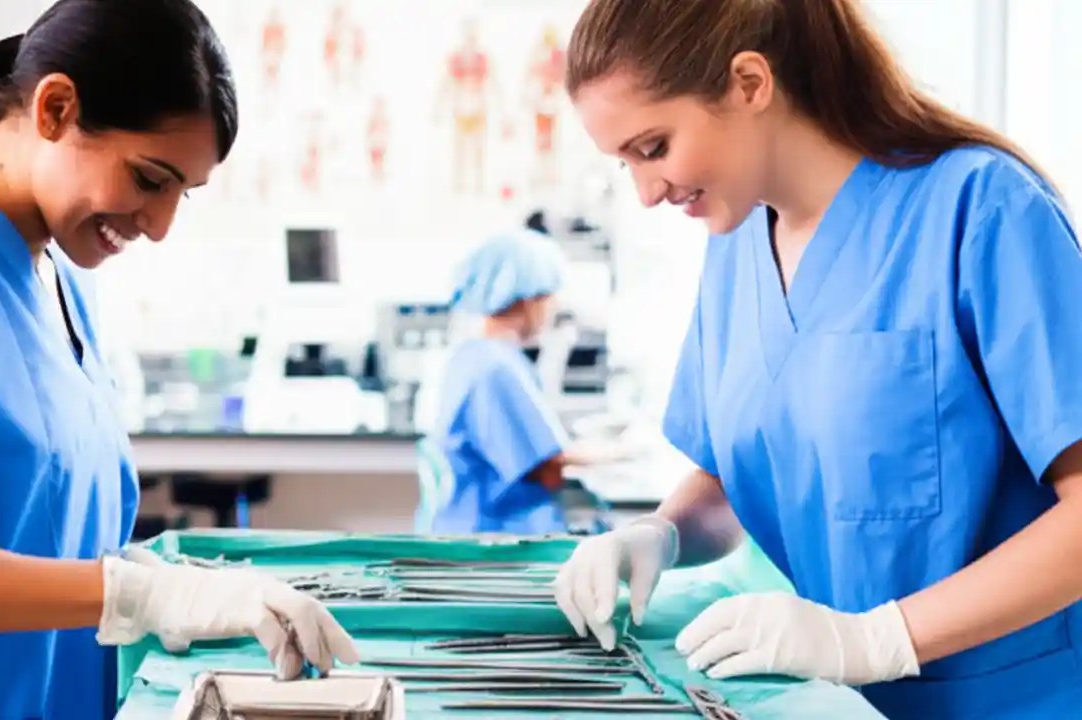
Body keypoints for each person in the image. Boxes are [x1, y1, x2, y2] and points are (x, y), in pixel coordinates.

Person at [0, 2, 357, 719]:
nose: (159, 226)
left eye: (182, 195)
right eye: (151, 179)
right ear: (56, 107)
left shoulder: (63, 281)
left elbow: (43, 539)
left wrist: (162, 581)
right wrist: (134, 594)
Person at [551, 0, 1082, 718]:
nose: (646, 193)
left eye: (654, 148)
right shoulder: (737, 244)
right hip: (825, 702)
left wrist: (875, 639)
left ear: (748, 83)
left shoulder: (981, 209)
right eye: (625, 165)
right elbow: (736, 473)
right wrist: (659, 534)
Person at [430, 229, 634, 535]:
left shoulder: (471, 355)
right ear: (528, 299)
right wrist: (624, 450)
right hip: (490, 540)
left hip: (468, 524)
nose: (554, 308)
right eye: (550, 297)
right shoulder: (495, 367)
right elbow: (546, 469)